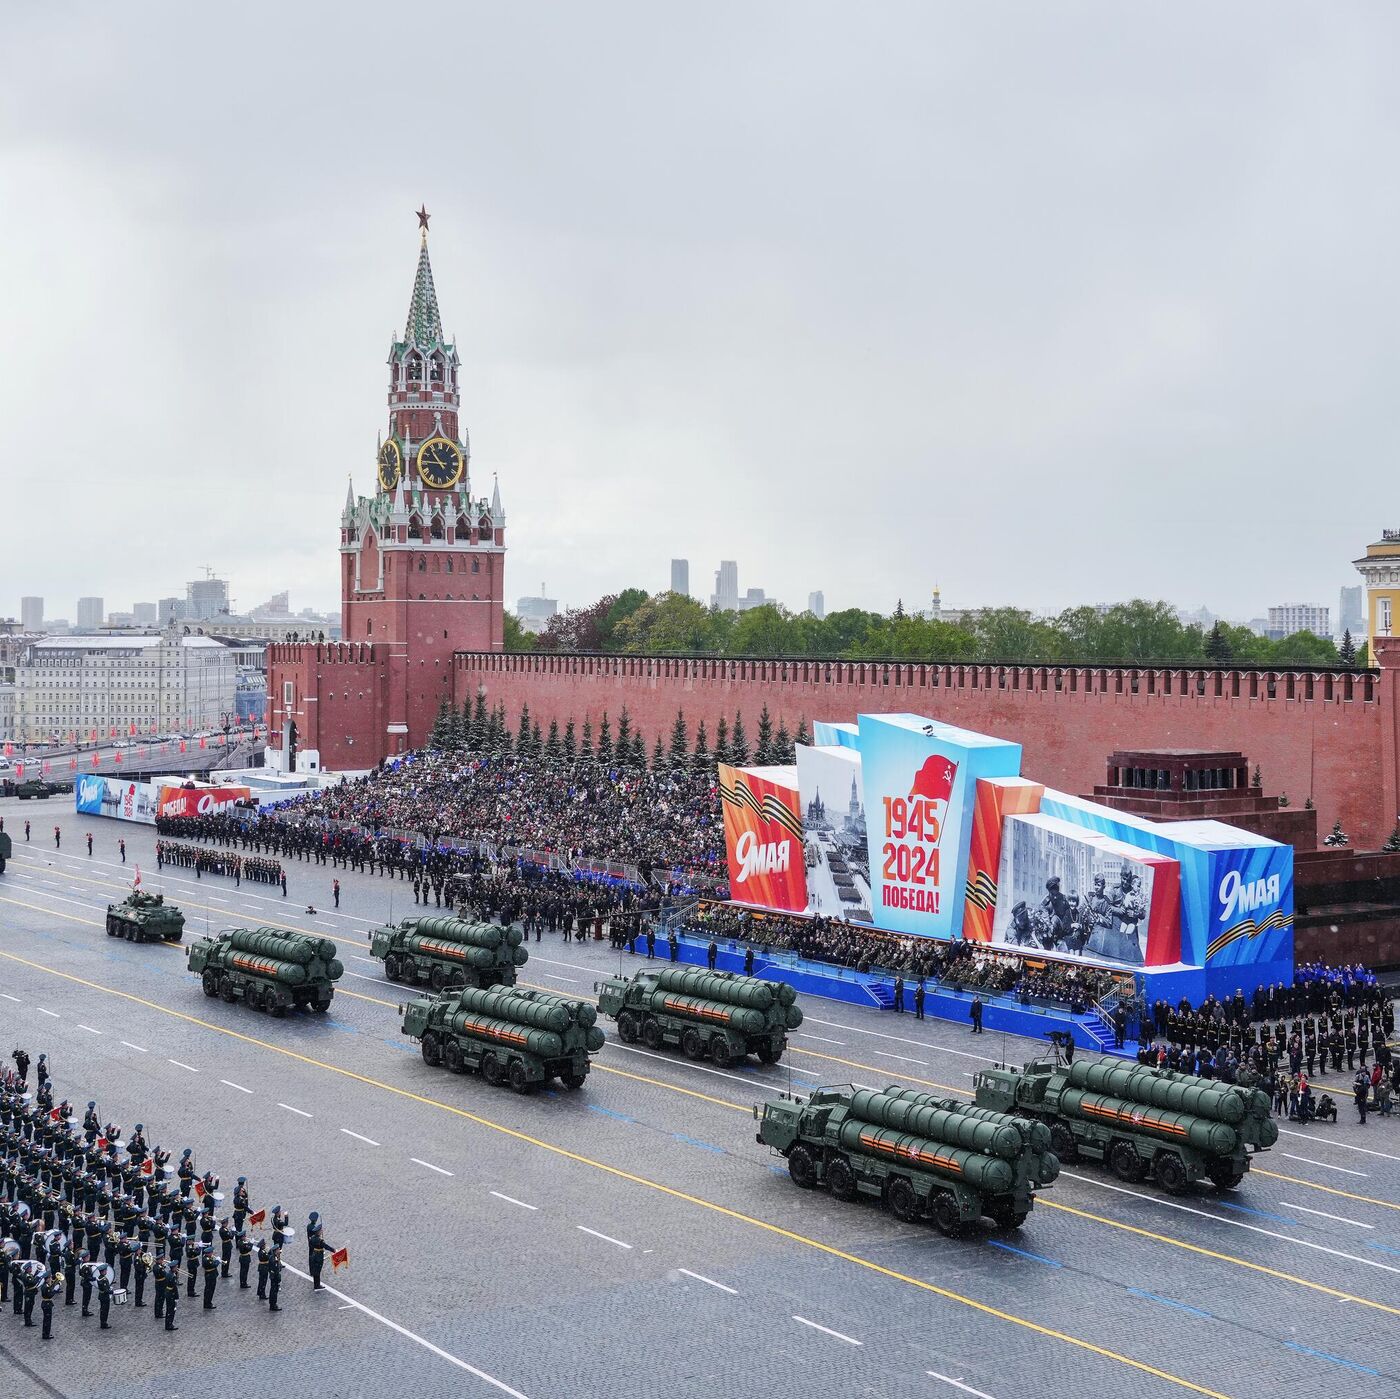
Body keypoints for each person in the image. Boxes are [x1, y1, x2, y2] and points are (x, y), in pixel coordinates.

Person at [306, 1211, 332, 1290]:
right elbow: (325, 1246)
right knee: (317, 1270)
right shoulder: (318, 1238)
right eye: (320, 1230)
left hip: (313, 1248)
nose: (321, 1231)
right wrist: (334, 1250)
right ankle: (317, 1285)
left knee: (312, 1262)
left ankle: (313, 1273)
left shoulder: (309, 1228)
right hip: (317, 1253)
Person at [40, 1269, 60, 1341]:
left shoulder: (45, 1285)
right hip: (47, 1304)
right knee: (47, 1320)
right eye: (50, 1277)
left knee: (46, 1320)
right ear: (47, 1279)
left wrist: (56, 1283)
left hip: (46, 1304)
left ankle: (45, 1333)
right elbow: (50, 1295)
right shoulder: (46, 1287)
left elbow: (50, 1288)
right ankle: (46, 1334)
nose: (51, 1278)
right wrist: (55, 1290)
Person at [267, 1243, 283, 1311]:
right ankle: (273, 1305)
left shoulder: (275, 1257)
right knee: (274, 1291)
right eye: (278, 1249)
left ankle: (273, 1304)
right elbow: (276, 1268)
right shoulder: (273, 1258)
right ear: (275, 1251)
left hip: (275, 1276)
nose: (279, 1250)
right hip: (274, 1276)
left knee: (274, 1290)